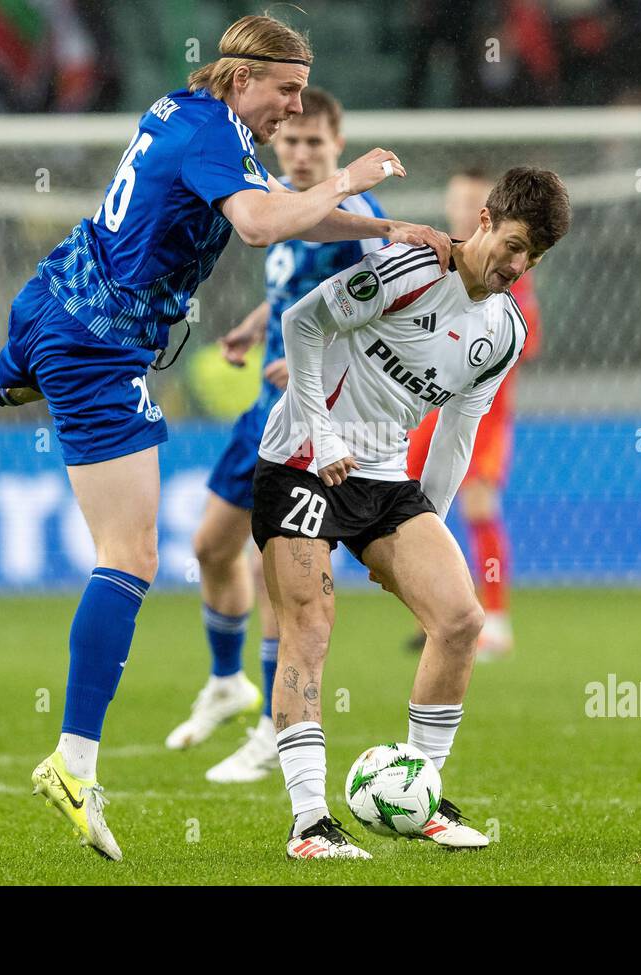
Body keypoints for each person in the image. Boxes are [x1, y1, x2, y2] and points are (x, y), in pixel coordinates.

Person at [0, 13, 449, 862]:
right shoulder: (216, 135)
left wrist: (382, 227)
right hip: (100, 343)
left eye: (301, 91)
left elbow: (283, 212)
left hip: (58, 293)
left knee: (5, 376)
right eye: (285, 88)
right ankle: (73, 760)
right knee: (131, 555)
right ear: (244, 74)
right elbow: (259, 225)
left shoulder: (186, 112)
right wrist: (350, 178)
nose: (293, 107)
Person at [250, 167, 570, 858]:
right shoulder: (411, 269)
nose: (517, 266)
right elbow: (302, 322)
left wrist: (430, 530)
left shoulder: (503, 332)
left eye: (532, 258)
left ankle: (420, 790)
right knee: (310, 626)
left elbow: (460, 431)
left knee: (460, 618)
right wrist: (326, 433)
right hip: (302, 459)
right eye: (513, 244)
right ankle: (309, 824)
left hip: (385, 478)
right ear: (484, 219)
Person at [165, 88, 389, 786]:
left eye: (314, 145)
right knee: (210, 545)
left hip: (313, 417)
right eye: (289, 142)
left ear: (337, 146)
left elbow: (388, 311)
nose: (298, 153)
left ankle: (274, 728)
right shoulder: (280, 200)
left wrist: (308, 356)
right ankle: (229, 681)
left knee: (279, 568)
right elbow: (298, 282)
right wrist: (258, 324)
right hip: (264, 406)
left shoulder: (359, 218)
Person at [405, 168, 542, 657]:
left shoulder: (509, 273)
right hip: (427, 408)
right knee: (413, 506)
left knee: (478, 507)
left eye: (471, 202)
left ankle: (497, 621)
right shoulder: (436, 265)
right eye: (456, 200)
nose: (461, 210)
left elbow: (518, 348)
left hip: (482, 417)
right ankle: (438, 612)